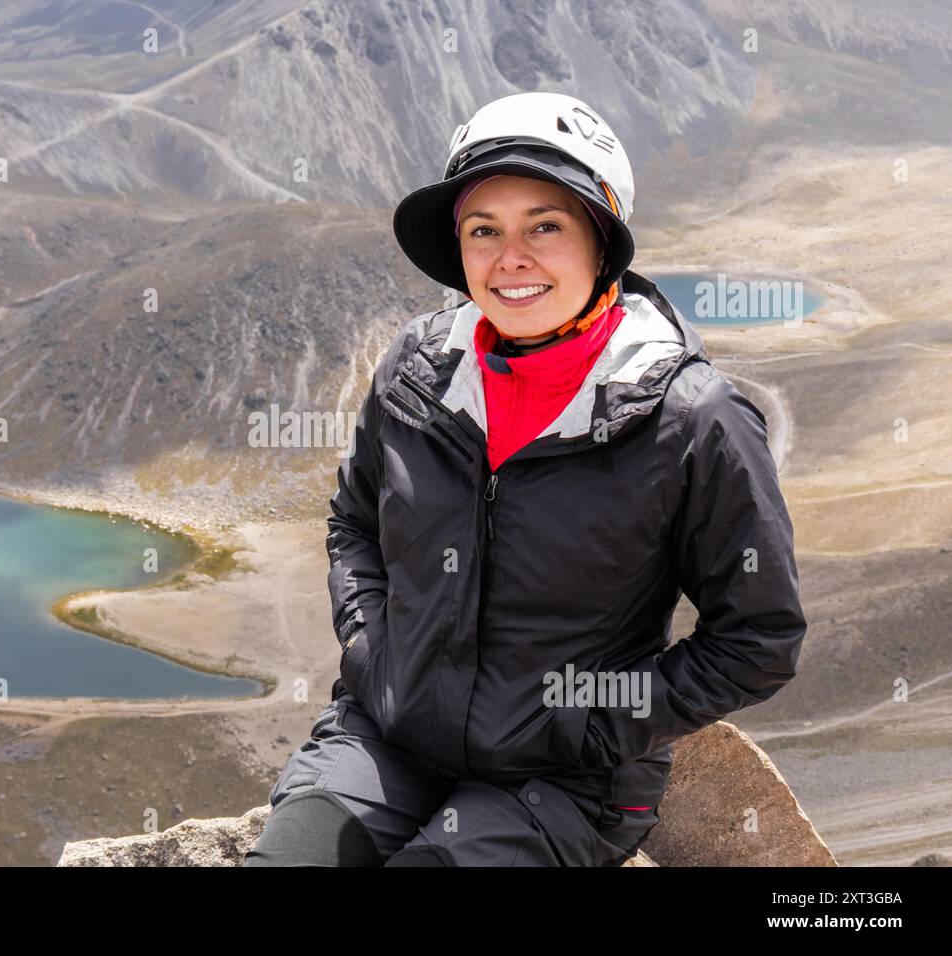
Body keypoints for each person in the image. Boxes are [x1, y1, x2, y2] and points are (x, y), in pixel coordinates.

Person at [244, 92, 807, 866]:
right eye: (484, 231)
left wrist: (592, 720)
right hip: (389, 736)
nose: (512, 257)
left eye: (546, 225)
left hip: (563, 779)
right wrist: (372, 650)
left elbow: (758, 639)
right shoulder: (416, 371)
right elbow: (355, 525)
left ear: (602, 240)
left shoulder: (692, 418)